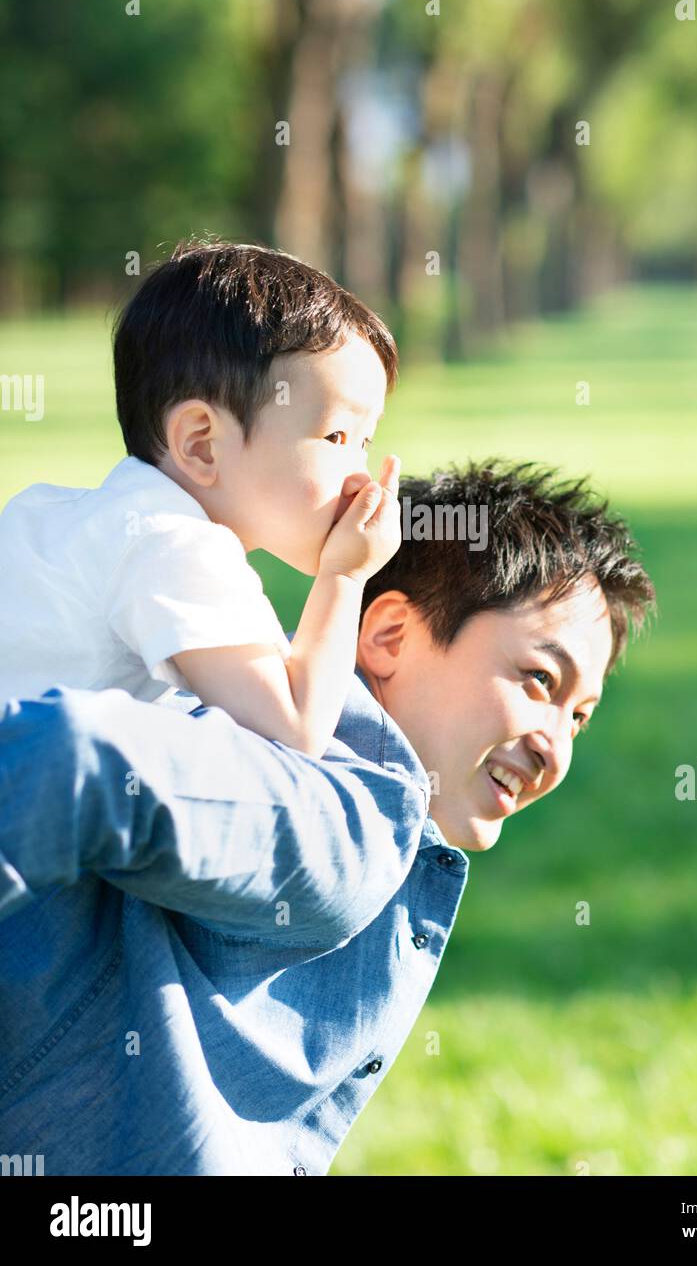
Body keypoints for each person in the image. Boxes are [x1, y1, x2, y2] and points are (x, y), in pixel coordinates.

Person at [0, 461, 655, 1176]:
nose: (552, 748)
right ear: (390, 635)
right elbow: (76, 759)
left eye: (580, 718)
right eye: (538, 680)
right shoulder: (339, 813)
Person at [0, 239, 401, 758]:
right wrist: (346, 575)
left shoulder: (73, 518)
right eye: (336, 438)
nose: (359, 480)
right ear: (201, 444)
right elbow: (296, 735)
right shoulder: (175, 544)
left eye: (365, 444)